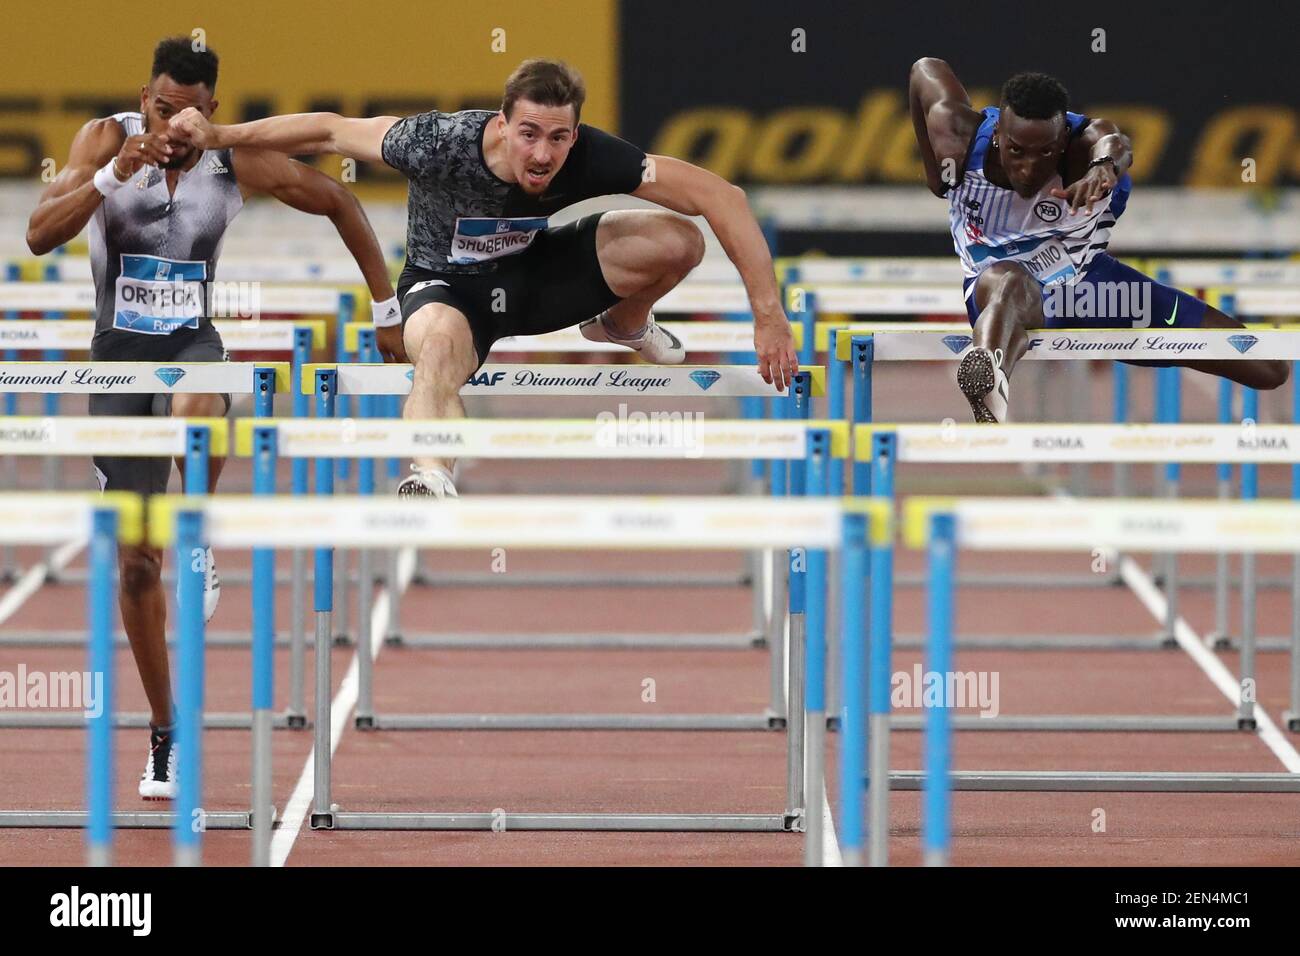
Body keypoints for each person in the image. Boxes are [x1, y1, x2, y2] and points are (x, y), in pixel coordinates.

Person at [26, 37, 398, 798]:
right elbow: (39, 235)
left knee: (201, 396)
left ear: (212, 112)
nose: (172, 125)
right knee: (134, 566)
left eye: (189, 113)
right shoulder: (103, 138)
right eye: (162, 109)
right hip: (117, 357)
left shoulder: (232, 162)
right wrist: (110, 175)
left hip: (194, 340)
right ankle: (165, 731)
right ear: (144, 98)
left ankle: (197, 532)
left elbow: (340, 200)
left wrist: (388, 307)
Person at [168, 57, 800, 496]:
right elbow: (330, 130)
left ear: (575, 133)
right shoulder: (438, 142)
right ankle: (430, 474)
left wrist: (769, 317)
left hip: (536, 279)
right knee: (438, 348)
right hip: (446, 289)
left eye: (558, 138)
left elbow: (725, 197)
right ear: (501, 124)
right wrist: (222, 134)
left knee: (678, 238)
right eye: (528, 135)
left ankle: (620, 321)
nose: (543, 154)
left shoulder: (590, 154)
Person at [909, 59, 1288, 423]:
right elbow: (924, 69)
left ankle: (1001, 357)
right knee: (1010, 280)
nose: (1029, 168)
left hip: (1096, 291)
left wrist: (1103, 167)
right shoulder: (958, 138)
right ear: (997, 136)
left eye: (1046, 153)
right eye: (1016, 151)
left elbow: (1114, 141)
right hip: (1000, 294)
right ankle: (991, 376)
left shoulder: (1085, 146)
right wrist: (932, 169)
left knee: (1269, 367)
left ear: (1063, 141)